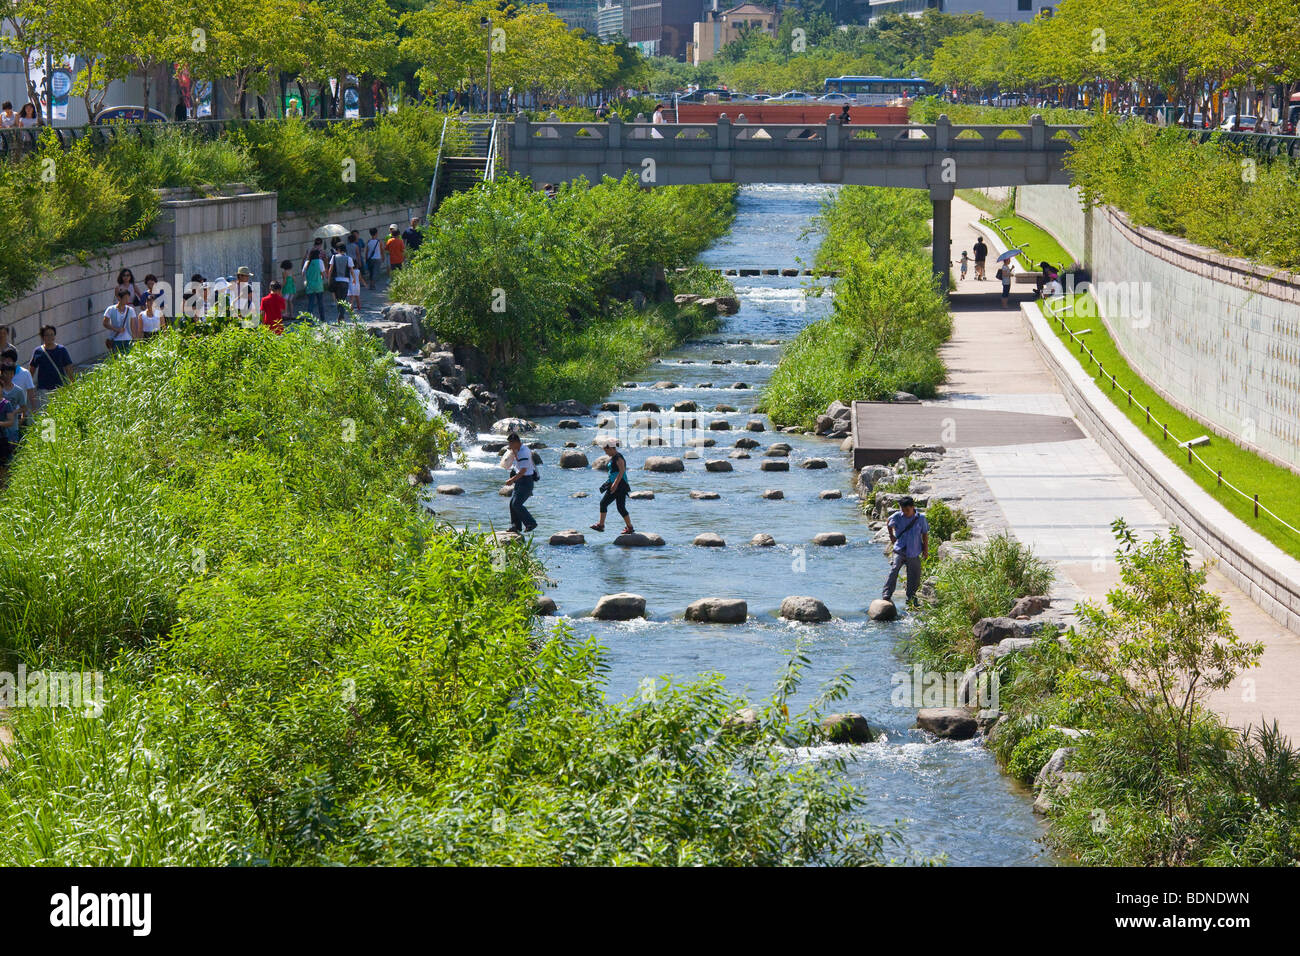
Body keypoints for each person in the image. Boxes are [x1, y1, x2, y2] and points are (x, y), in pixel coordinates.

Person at [882, 496, 929, 605]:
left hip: (914, 551)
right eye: (903, 510)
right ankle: (887, 594)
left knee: (914, 575)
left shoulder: (921, 518)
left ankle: (911, 597)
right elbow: (889, 522)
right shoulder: (898, 516)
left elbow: (925, 534)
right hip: (900, 549)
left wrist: (925, 551)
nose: (905, 512)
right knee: (894, 570)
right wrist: (891, 536)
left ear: (913, 507)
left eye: (907, 510)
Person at [589, 440, 634, 535]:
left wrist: (615, 484)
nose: (605, 452)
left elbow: (622, 471)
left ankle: (601, 525)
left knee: (603, 503)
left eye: (606, 450)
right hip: (617, 484)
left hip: (619, 484)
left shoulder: (618, 457)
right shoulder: (614, 457)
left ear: (611, 448)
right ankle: (629, 527)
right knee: (621, 507)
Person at [28, 325, 75, 412]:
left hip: (60, 387)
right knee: (46, 413)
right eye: (47, 335)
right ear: (42, 337)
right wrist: (29, 387)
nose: (50, 337)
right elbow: (32, 369)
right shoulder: (38, 351)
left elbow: (68, 367)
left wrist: (72, 383)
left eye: (52, 334)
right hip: (43, 388)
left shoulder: (61, 350)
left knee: (61, 411)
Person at [502, 432, 538, 533]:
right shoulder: (520, 450)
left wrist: (511, 480)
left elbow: (523, 471)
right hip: (520, 481)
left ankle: (531, 523)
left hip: (526, 481)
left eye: (510, 444)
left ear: (516, 442)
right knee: (512, 503)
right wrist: (513, 452)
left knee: (516, 504)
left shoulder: (523, 453)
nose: (509, 446)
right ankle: (516, 526)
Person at [103, 286, 136, 354]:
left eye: (128, 298)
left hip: (128, 338)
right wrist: (116, 329)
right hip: (115, 339)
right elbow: (105, 323)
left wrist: (134, 338)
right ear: (119, 298)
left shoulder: (131, 310)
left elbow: (133, 326)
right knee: (116, 359)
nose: (127, 300)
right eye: (125, 298)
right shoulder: (111, 309)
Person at [326, 242, 353, 321]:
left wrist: (328, 279)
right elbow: (351, 270)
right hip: (345, 281)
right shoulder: (349, 258)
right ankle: (341, 315)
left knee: (338, 299)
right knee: (343, 299)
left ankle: (341, 315)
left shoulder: (333, 257)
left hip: (336, 281)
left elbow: (330, 269)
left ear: (338, 249)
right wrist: (354, 279)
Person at [302, 249, 327, 322]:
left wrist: (306, 279)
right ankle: (322, 319)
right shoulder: (320, 262)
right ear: (317, 255)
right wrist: (321, 278)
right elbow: (323, 273)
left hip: (309, 285)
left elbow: (303, 273)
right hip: (318, 285)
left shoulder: (307, 262)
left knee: (310, 303)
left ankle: (309, 320)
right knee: (320, 303)